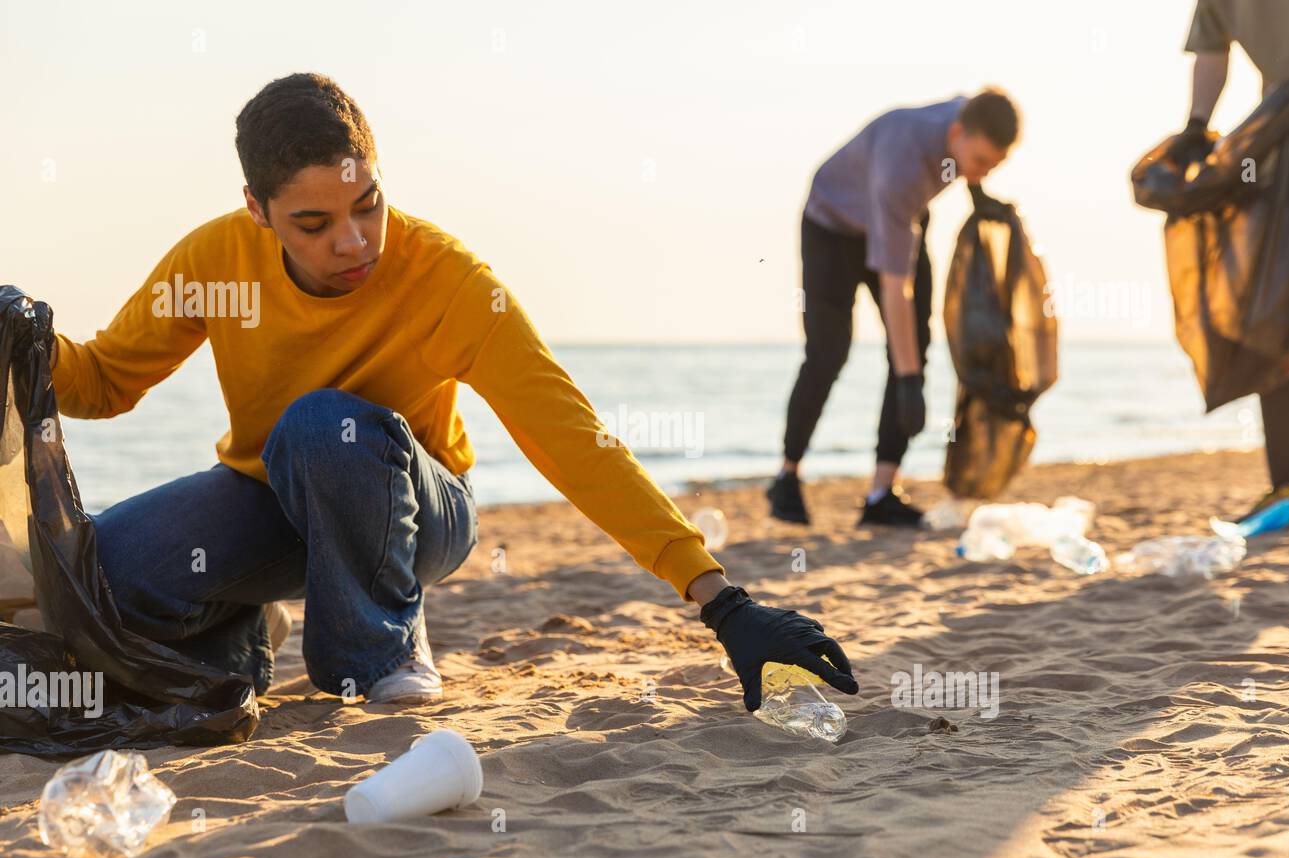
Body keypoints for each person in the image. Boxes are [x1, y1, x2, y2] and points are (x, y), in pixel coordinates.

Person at [40, 73, 858, 712]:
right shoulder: (214, 260)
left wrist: (723, 602)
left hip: (420, 510)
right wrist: (25, 339)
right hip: (276, 499)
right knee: (106, 572)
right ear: (257, 209)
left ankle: (381, 643)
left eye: (368, 206)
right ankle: (250, 628)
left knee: (326, 426)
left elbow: (568, 435)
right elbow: (104, 383)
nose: (353, 241)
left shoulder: (448, 280)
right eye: (313, 224)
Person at [767, 89, 1019, 527]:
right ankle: (787, 475)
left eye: (991, 166)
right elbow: (895, 290)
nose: (979, 172)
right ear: (957, 133)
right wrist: (907, 382)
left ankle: (882, 493)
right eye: (978, 161)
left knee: (914, 346)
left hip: (903, 219)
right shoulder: (902, 168)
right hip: (833, 225)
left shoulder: (969, 118)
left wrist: (978, 191)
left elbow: (968, 157)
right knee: (829, 352)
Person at [1170, 0, 1289, 521]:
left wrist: (1197, 125)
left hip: (1275, 136)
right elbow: (1211, 52)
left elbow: (1210, 54)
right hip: (1276, 139)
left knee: (1276, 311)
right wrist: (1195, 130)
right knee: (1273, 315)